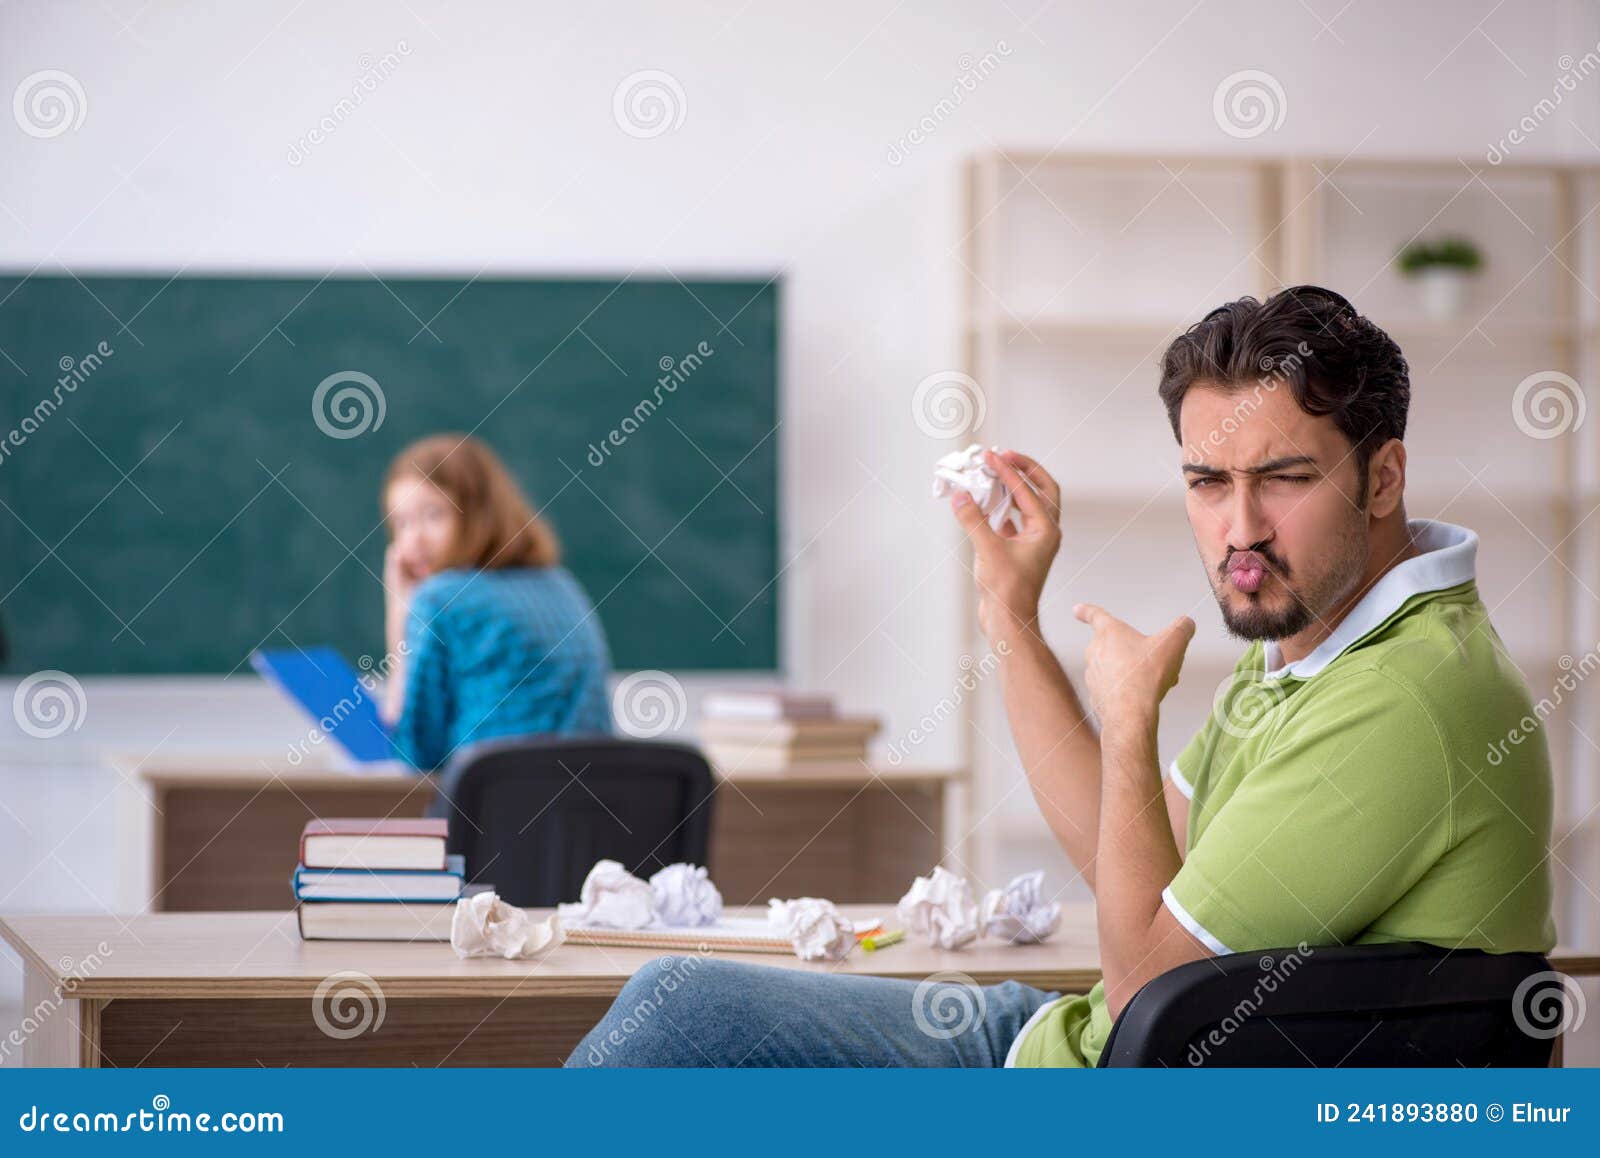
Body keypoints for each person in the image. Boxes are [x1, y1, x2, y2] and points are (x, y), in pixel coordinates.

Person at [566, 284, 1555, 1068]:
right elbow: (1122, 863)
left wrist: (1128, 723)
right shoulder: (1318, 649)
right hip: (1067, 1047)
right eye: (1209, 483)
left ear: (1381, 478)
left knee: (676, 1012)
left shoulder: (1401, 700)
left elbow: (1144, 992)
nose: (1240, 529)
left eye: (1284, 478)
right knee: (680, 1003)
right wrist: (1009, 611)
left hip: (1090, 1081)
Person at [380, 434, 612, 791]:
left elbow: (415, 755)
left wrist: (398, 611)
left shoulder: (439, 598)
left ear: (479, 514)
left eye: (433, 515)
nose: (414, 540)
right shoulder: (563, 586)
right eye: (402, 524)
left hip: (493, 826)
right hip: (593, 822)